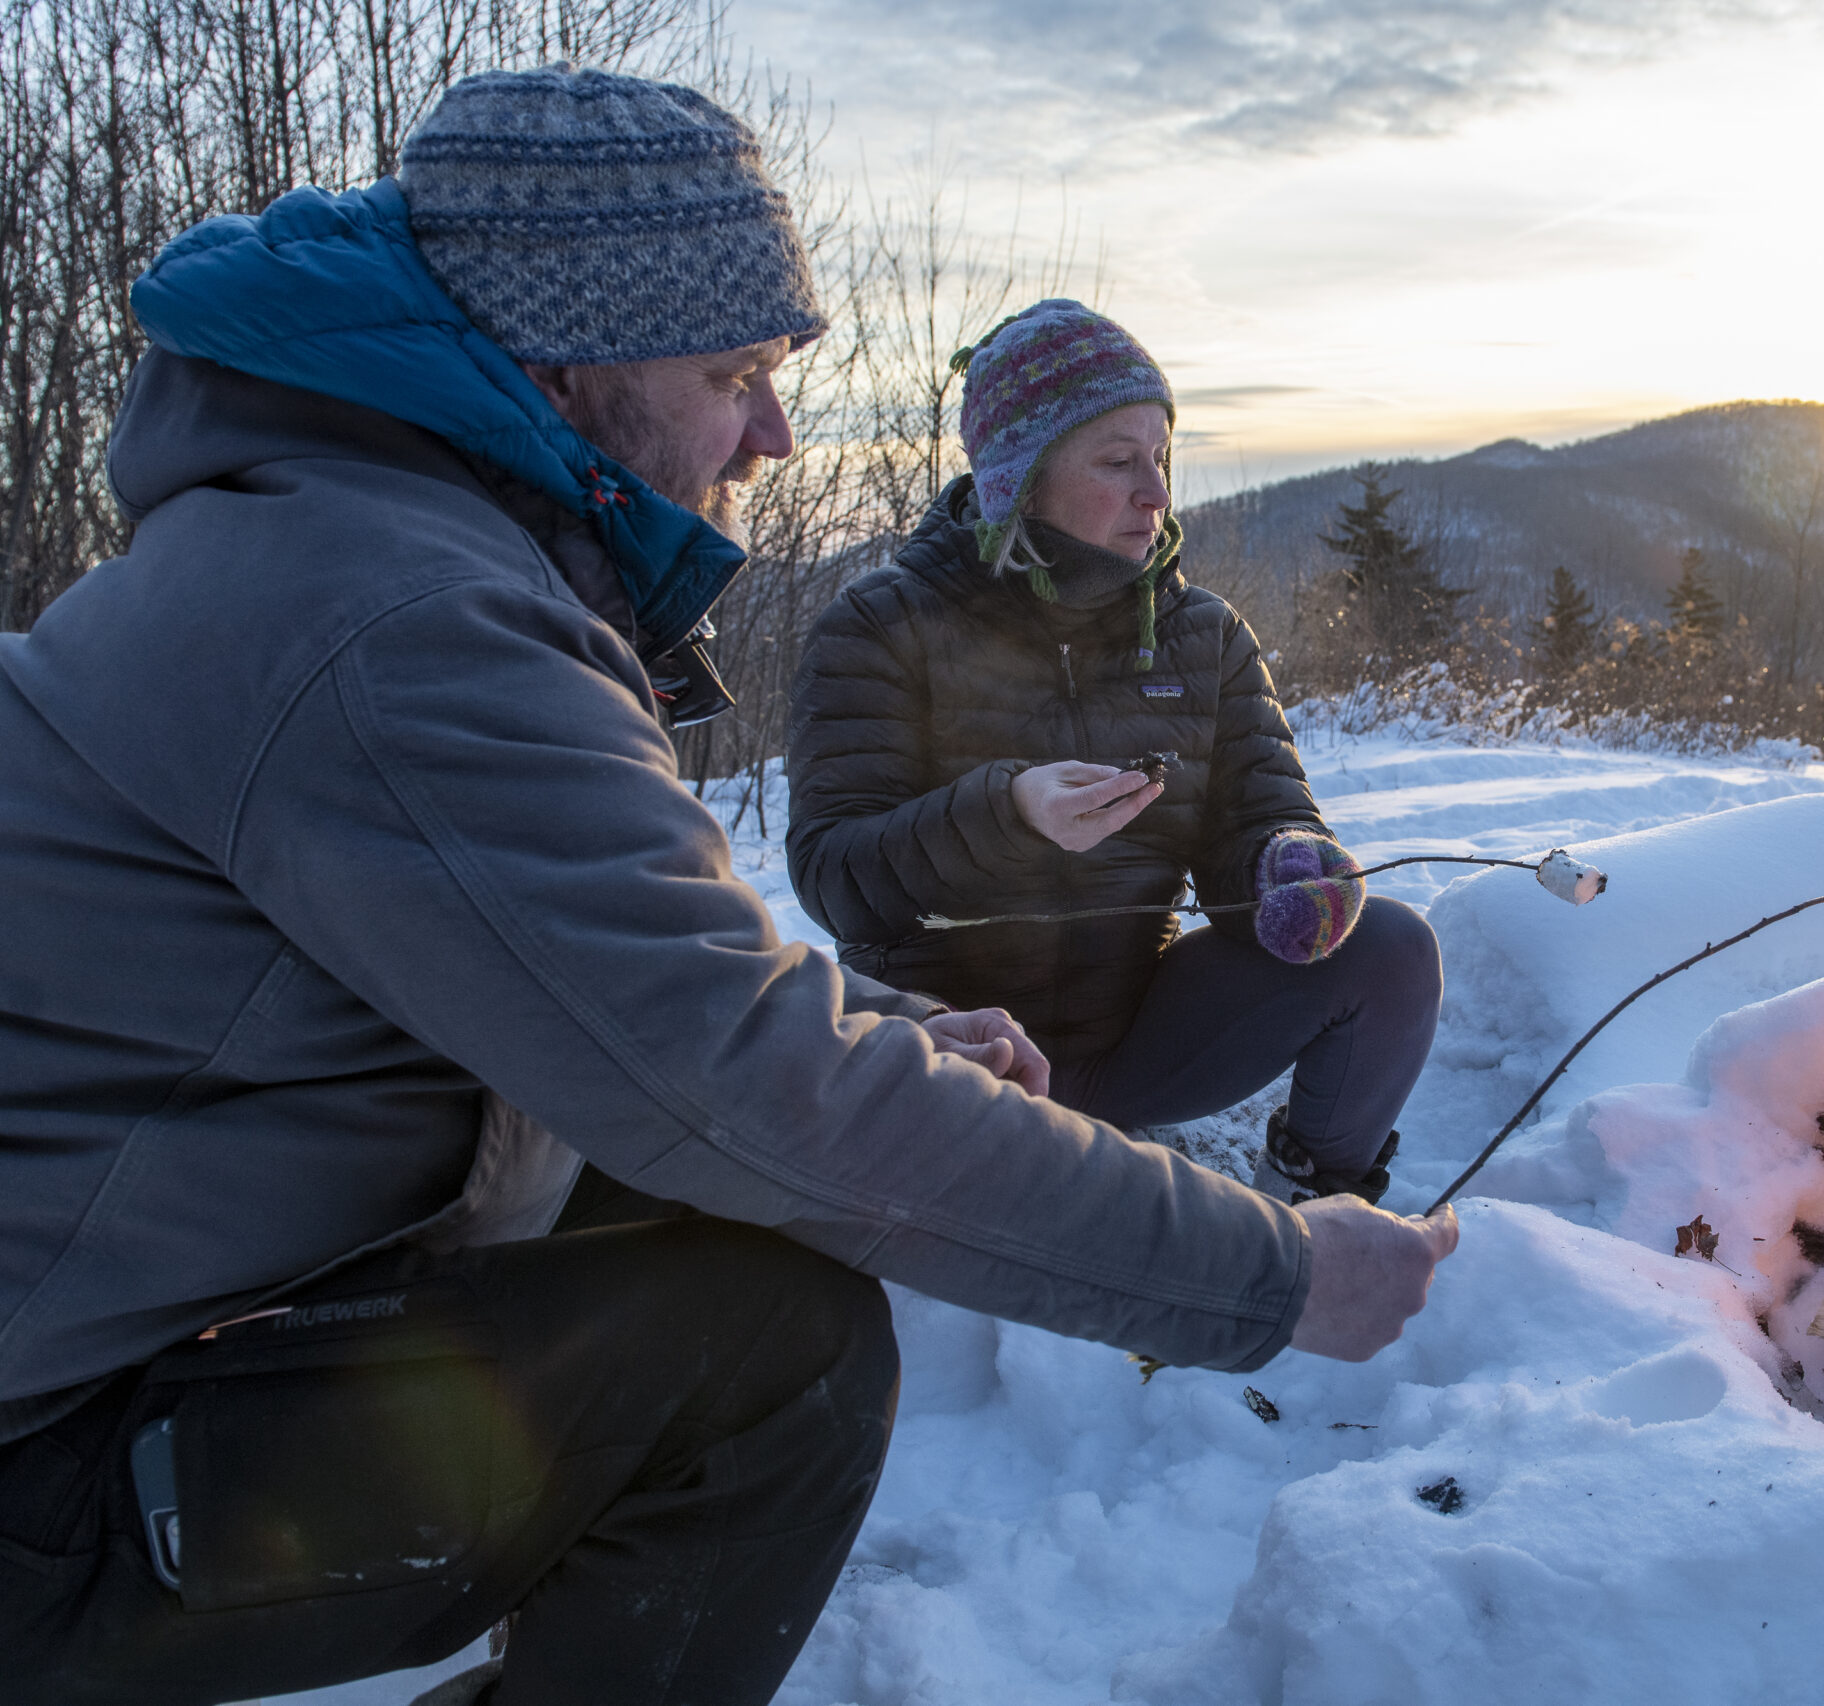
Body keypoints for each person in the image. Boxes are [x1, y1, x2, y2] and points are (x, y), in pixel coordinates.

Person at [0, 68, 1458, 1706]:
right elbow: (750, 1038)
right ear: (561, 362)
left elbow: (623, 981)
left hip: (140, 1320)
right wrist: (1263, 1274)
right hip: (46, 1448)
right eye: (736, 373)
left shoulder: (366, 551)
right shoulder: (405, 618)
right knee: (770, 1349)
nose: (775, 430)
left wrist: (945, 1004)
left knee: (724, 1205)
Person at [787, 300, 1442, 1205]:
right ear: (1020, 477)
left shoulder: (1203, 637)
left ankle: (1315, 1205)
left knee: (1391, 948)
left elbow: (1254, 816)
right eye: (1118, 461)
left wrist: (1286, 862)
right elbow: (832, 876)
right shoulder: (879, 626)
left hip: (1133, 1044)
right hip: (959, 1053)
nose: (1157, 494)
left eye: (1162, 459)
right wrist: (1007, 815)